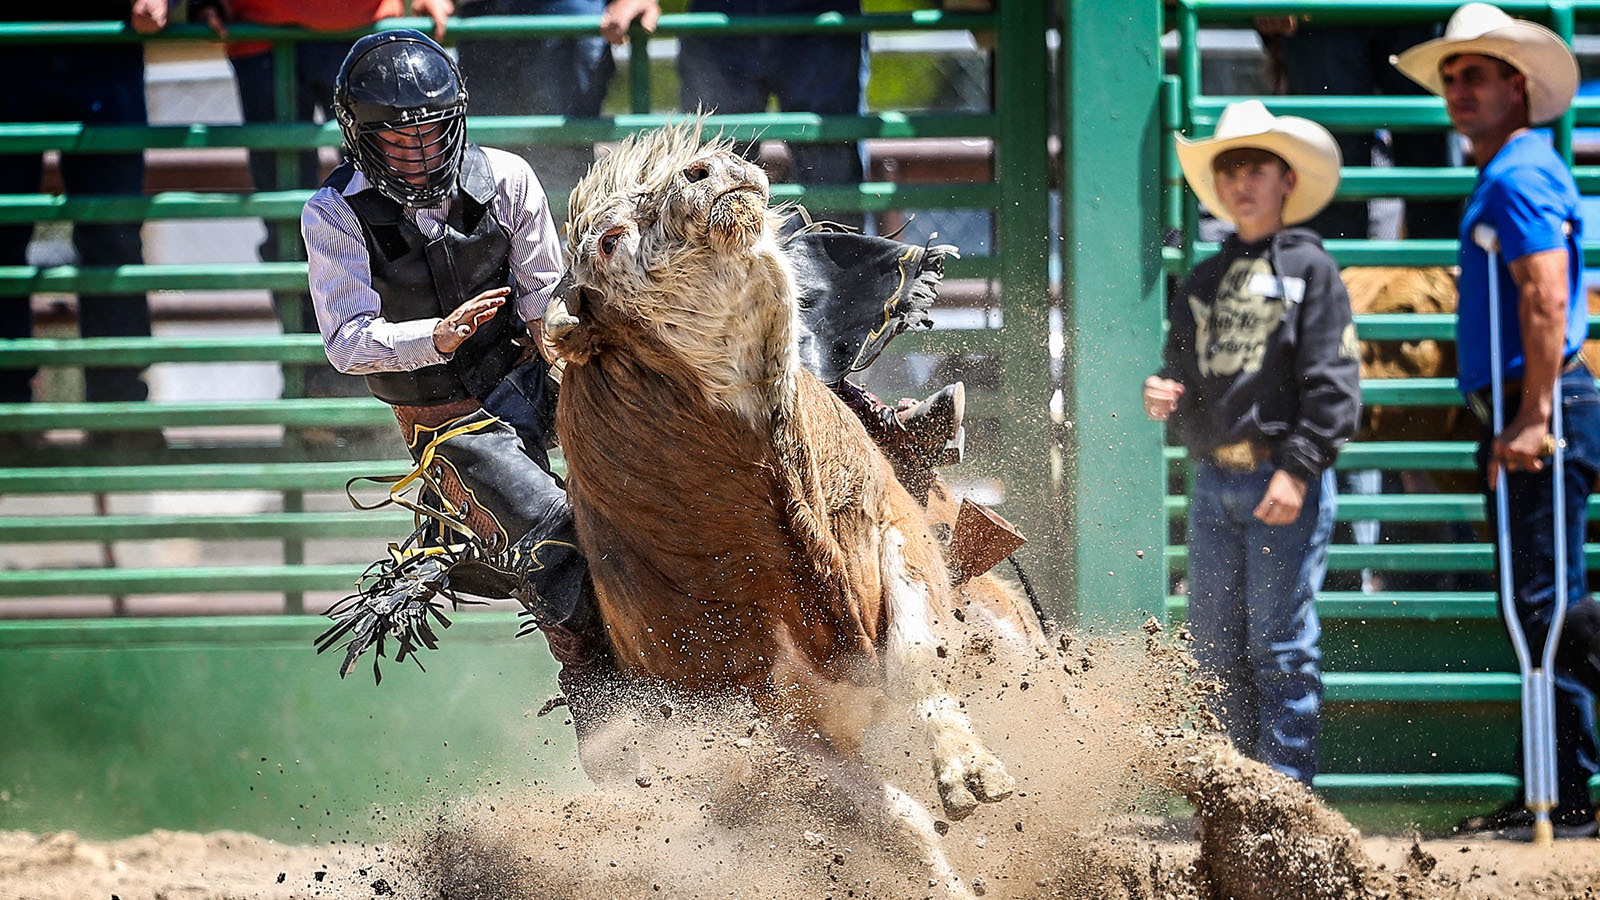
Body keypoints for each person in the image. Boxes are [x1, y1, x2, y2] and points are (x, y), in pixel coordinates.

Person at [305, 30, 965, 734]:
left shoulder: (506, 180)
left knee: (722, 359)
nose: (420, 152)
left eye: (433, 134)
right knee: (555, 541)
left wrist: (584, 353)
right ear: (359, 137)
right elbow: (348, 342)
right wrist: (434, 338)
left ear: (456, 121)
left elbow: (540, 299)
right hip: (449, 417)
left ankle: (873, 426)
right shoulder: (334, 214)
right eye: (398, 140)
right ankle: (595, 678)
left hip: (537, 366)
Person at [1393, 2, 1600, 839]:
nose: (1458, 91)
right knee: (1540, 604)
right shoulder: (1514, 171)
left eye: (1474, 76)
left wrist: (1530, 417)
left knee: (1549, 608)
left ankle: (1566, 798)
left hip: (1542, 409)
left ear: (1518, 86)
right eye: (1450, 79)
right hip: (1525, 410)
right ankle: (1546, 791)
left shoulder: (1519, 176)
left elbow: (1549, 296)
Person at [1144, 99, 1360, 786]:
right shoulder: (1203, 280)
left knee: (1279, 646)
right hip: (1216, 479)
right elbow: (1179, 365)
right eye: (1230, 168)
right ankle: (1236, 793)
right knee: (1214, 650)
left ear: (1285, 180)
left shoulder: (1313, 273)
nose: (1242, 181)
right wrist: (1167, 392)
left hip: (1278, 479)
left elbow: (1334, 385)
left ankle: (1285, 798)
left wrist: (1297, 469)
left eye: (1256, 167)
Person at [0, 1, 167, 436]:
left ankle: (122, 415)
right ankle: (9, 415)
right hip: (13, 42)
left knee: (113, 234)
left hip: (105, 36)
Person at [616, 0, 868, 231]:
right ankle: (714, 276)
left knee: (833, 174)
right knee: (709, 180)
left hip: (819, 14)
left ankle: (844, 271)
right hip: (720, 12)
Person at [1257, 16, 1457, 241]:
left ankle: (1438, 266)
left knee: (1428, 151)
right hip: (1325, 16)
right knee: (1330, 156)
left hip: (1408, 16)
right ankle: (1330, 269)